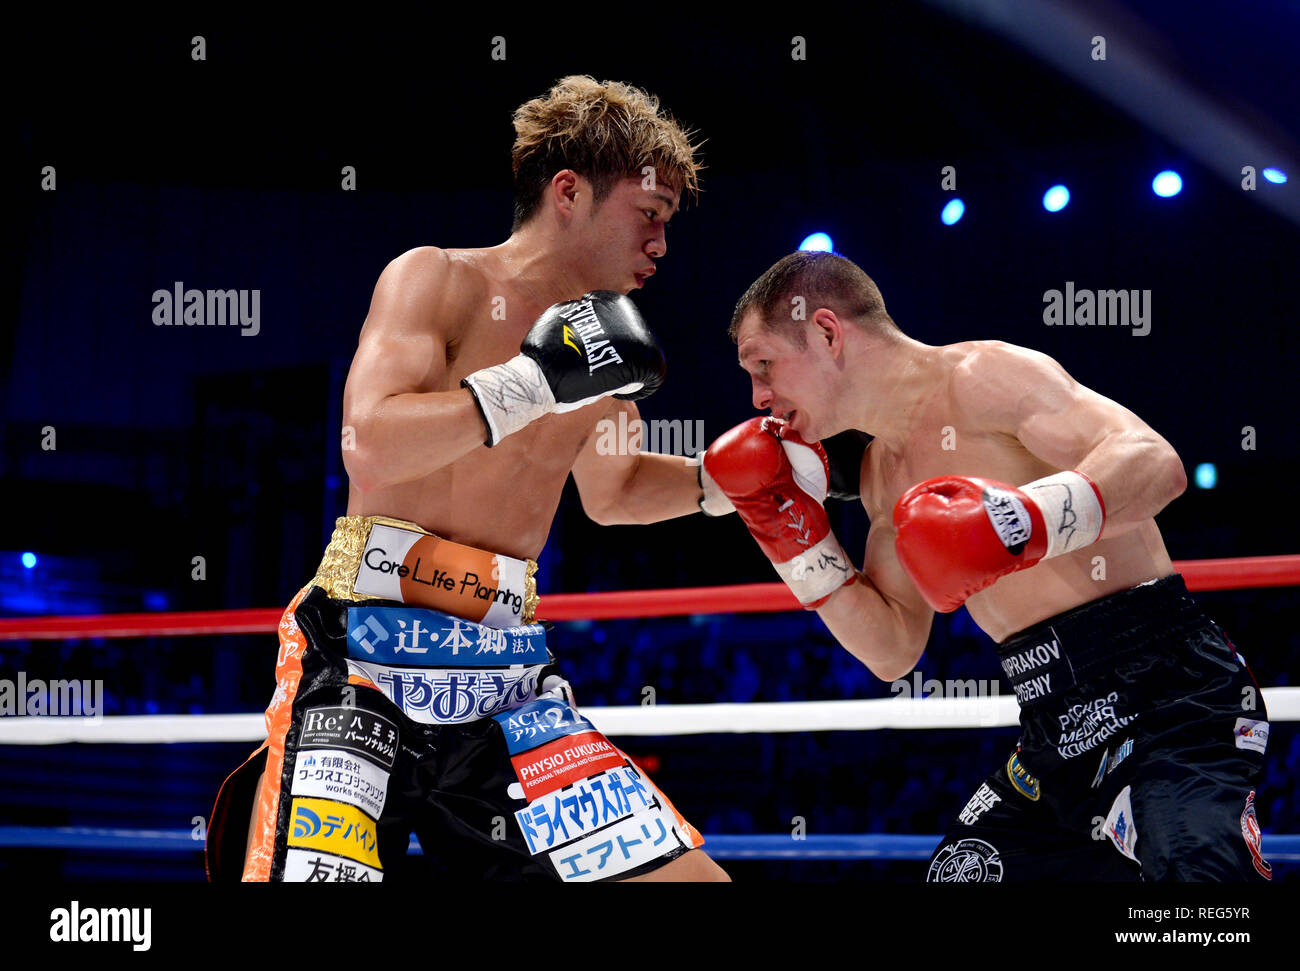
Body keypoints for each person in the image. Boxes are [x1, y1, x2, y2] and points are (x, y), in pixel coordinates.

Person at [204, 76, 730, 882]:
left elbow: (615, 490)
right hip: (363, 661)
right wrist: (531, 381)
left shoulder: (612, 350)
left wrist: (733, 481)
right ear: (569, 192)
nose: (662, 245)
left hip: (506, 680)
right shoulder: (438, 280)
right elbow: (369, 442)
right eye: (649, 216)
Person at [703, 250, 1271, 881]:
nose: (758, 397)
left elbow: (1155, 461)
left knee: (1204, 901)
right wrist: (793, 541)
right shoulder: (880, 477)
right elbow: (892, 649)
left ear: (828, 332)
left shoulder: (981, 377)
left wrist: (1026, 520)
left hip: (1168, 699)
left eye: (764, 365)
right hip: (1053, 730)